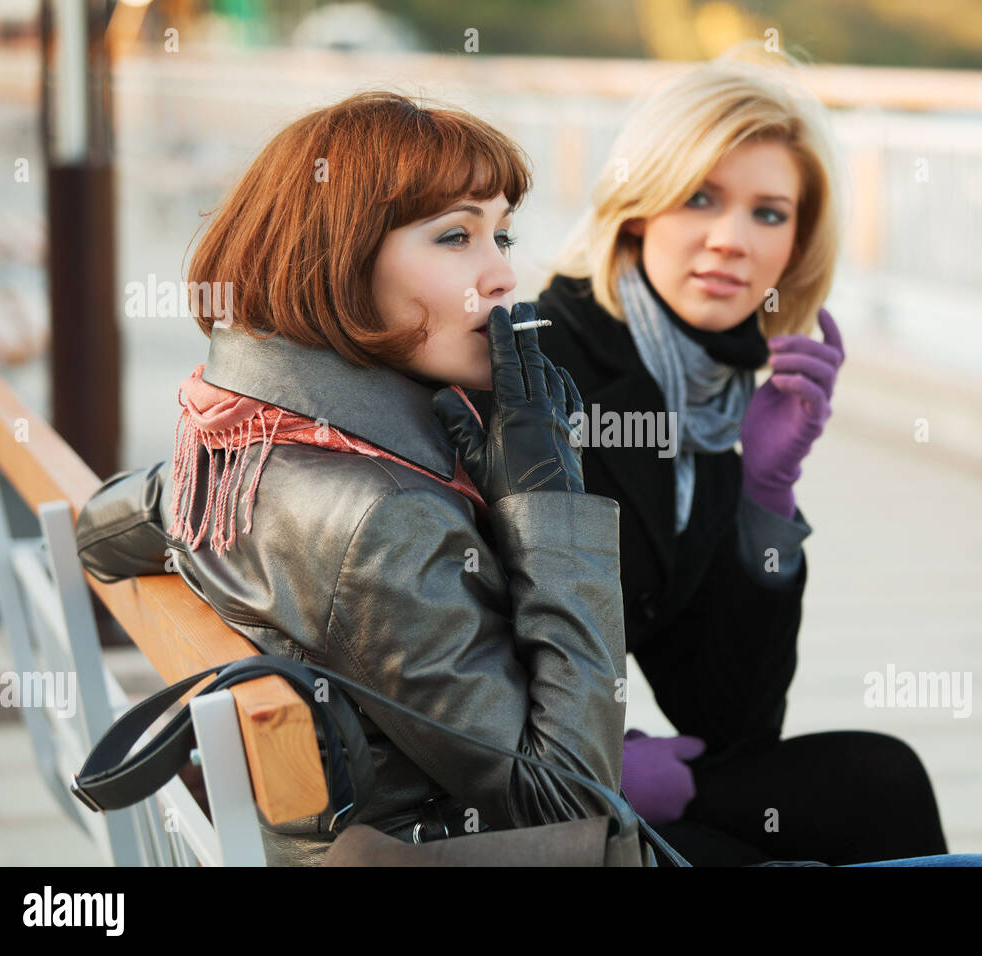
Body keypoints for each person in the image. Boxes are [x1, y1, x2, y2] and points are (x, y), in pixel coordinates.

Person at [72, 91, 631, 866]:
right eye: (455, 236)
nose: (503, 275)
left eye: (501, 234)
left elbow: (98, 531)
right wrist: (549, 506)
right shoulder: (385, 517)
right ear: (340, 259)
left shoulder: (246, 441)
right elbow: (572, 804)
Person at [470, 49, 960, 866]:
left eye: (769, 213)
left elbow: (730, 723)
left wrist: (765, 495)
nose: (732, 240)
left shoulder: (705, 406)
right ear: (638, 208)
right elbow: (440, 632)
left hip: (586, 781)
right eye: (701, 198)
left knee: (880, 778)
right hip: (505, 800)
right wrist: (607, 756)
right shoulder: (537, 368)